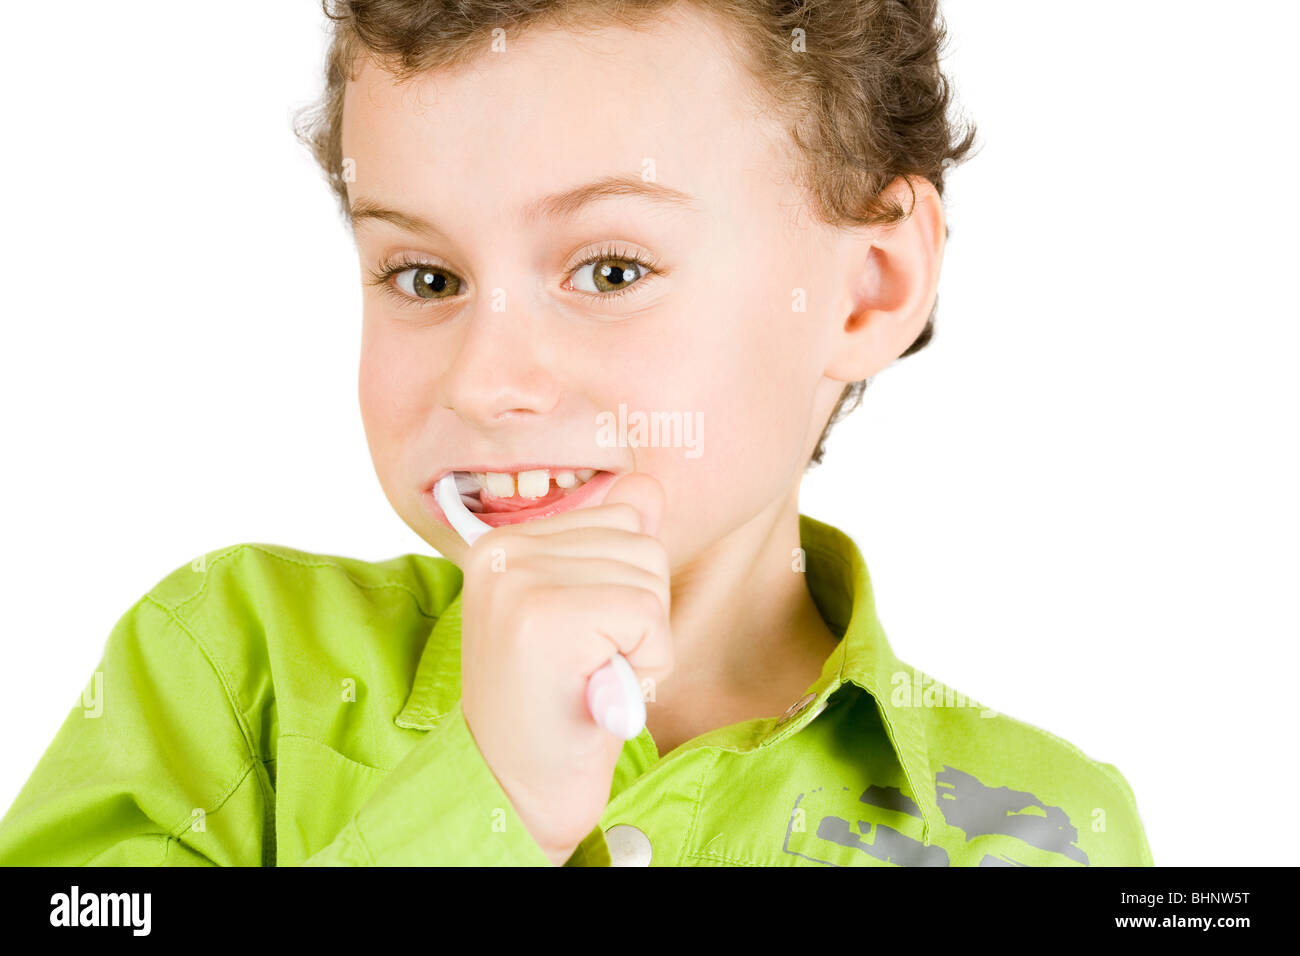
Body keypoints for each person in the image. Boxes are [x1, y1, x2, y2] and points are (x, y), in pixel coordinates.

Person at [0, 0, 1152, 866]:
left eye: (609, 269)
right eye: (424, 273)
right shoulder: (223, 672)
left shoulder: (1046, 827)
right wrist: (486, 794)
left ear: (866, 288)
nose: (487, 377)